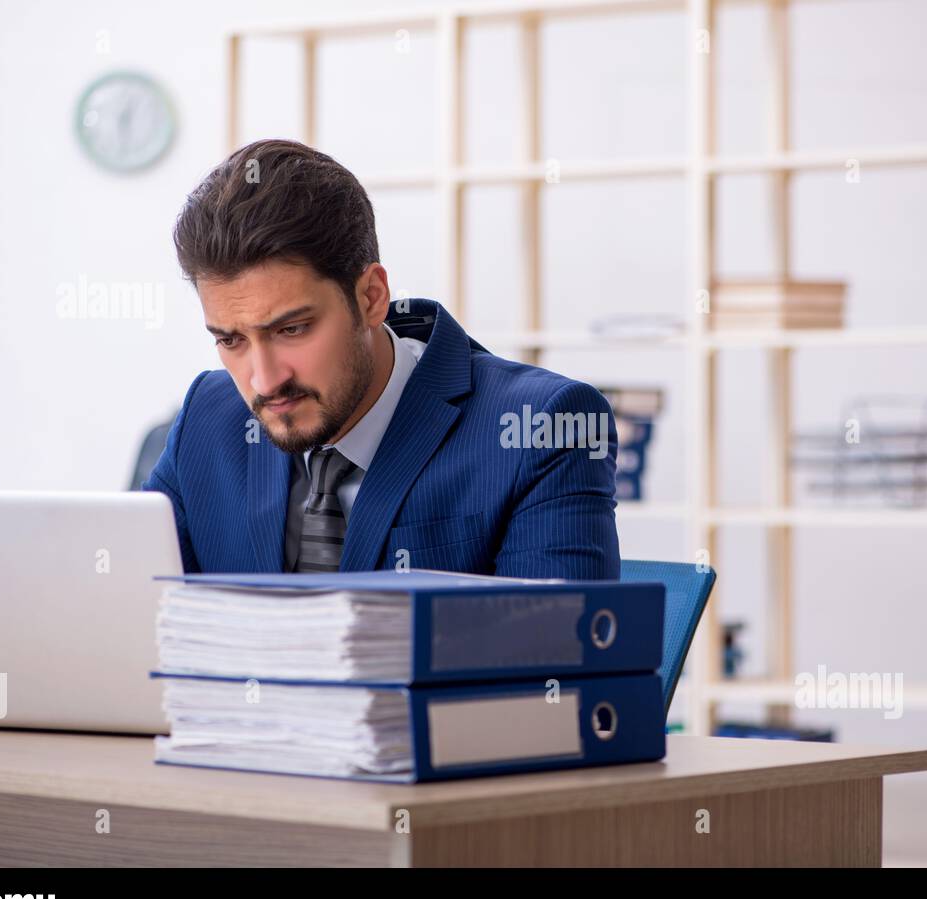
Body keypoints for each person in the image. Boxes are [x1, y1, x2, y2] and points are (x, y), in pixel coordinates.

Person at [141, 139, 620, 579]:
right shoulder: (207, 417)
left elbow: (555, 660)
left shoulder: (541, 427)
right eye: (231, 341)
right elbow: (127, 615)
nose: (265, 381)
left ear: (371, 297)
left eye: (292, 329)